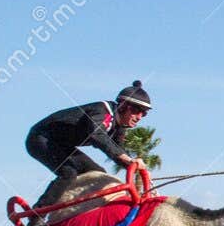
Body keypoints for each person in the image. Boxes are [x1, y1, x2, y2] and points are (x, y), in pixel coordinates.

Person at [25, 81, 152, 216]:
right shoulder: (102, 110)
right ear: (122, 106)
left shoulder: (119, 126)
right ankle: (37, 217)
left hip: (61, 144)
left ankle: (81, 213)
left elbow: (118, 149)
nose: (139, 117)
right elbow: (96, 135)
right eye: (136, 111)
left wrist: (137, 168)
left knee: (98, 173)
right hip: (40, 139)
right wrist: (126, 159)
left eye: (143, 114)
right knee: (68, 172)